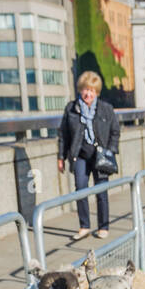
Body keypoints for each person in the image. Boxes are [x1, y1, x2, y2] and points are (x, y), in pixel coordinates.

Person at [57, 70, 119, 240]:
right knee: (80, 188)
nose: (88, 94)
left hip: (101, 156)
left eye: (91, 90)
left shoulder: (106, 109)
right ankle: (84, 226)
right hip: (80, 154)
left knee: (101, 190)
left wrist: (111, 150)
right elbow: (63, 134)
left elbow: (115, 131)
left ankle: (103, 226)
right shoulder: (71, 108)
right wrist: (61, 157)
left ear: (96, 92)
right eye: (85, 90)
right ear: (80, 90)